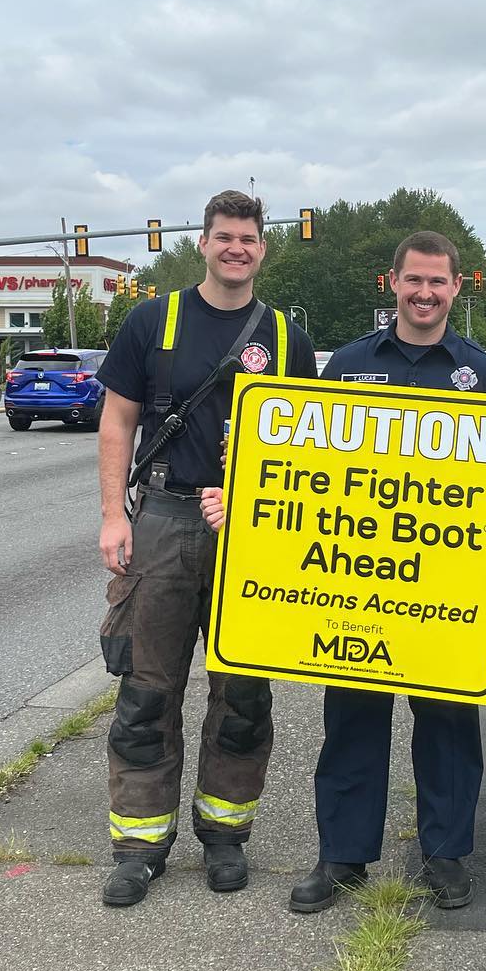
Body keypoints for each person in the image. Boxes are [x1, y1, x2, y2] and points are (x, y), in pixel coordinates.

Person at [202, 231, 486, 913]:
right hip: (356, 589)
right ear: (393, 283)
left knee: (448, 725)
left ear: (457, 288)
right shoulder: (348, 366)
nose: (425, 292)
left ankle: (445, 856)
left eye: (438, 282)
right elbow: (299, 466)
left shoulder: (484, 373)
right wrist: (245, 504)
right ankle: (342, 858)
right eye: (414, 280)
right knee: (351, 722)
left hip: (443, 588)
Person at [94, 190, 317, 908]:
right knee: (145, 692)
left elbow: (307, 445)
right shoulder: (151, 322)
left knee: (244, 695)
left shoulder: (286, 338)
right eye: (224, 237)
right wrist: (112, 517)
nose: (236, 249)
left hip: (252, 534)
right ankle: (139, 846)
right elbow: (116, 420)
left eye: (248, 239)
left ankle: (225, 836)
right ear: (204, 243)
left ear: (262, 248)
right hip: (161, 517)